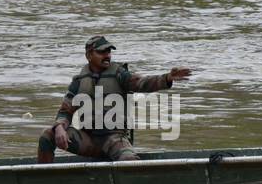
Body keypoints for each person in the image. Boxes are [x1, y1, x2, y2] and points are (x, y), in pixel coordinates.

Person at [37, 35, 192, 163]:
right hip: (88, 140)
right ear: (89, 55)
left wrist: (167, 78)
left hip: (114, 139)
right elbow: (65, 112)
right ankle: (43, 182)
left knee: (129, 161)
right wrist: (59, 128)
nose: (107, 56)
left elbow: (142, 83)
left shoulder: (119, 74)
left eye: (109, 52)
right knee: (47, 135)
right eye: (101, 52)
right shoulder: (79, 81)